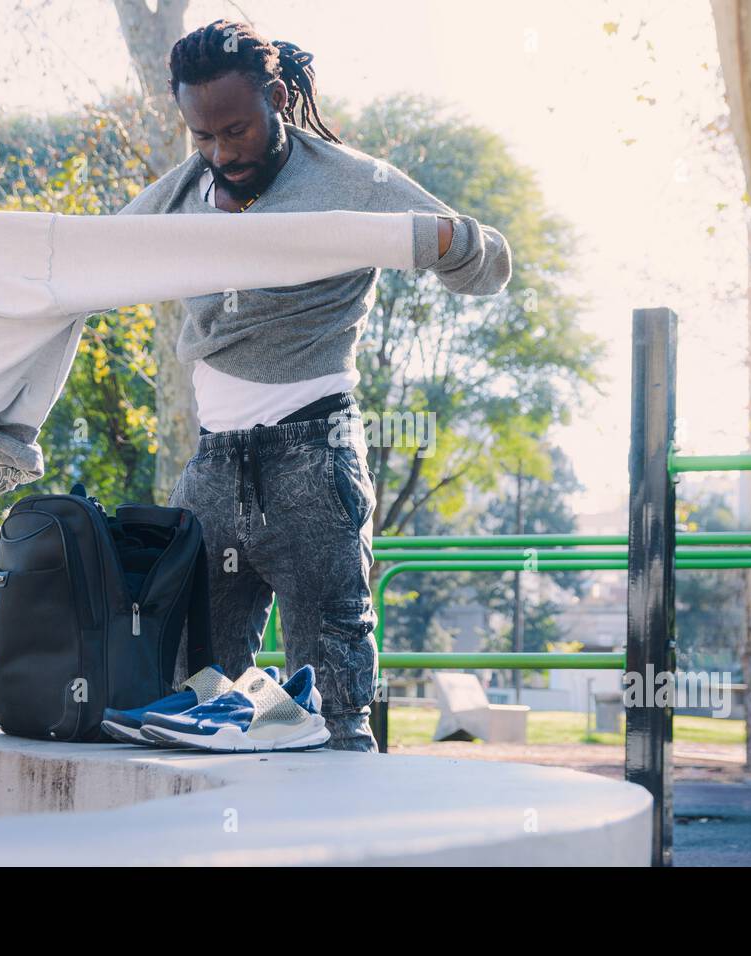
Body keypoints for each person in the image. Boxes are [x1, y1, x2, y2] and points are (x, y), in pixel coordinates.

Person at [120, 19, 512, 752]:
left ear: (275, 97)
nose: (220, 154)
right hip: (211, 465)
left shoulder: (350, 183)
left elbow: (485, 268)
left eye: (236, 130)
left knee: (334, 706)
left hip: (312, 458)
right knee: (189, 693)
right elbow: (83, 266)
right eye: (201, 137)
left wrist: (457, 243)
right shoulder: (181, 194)